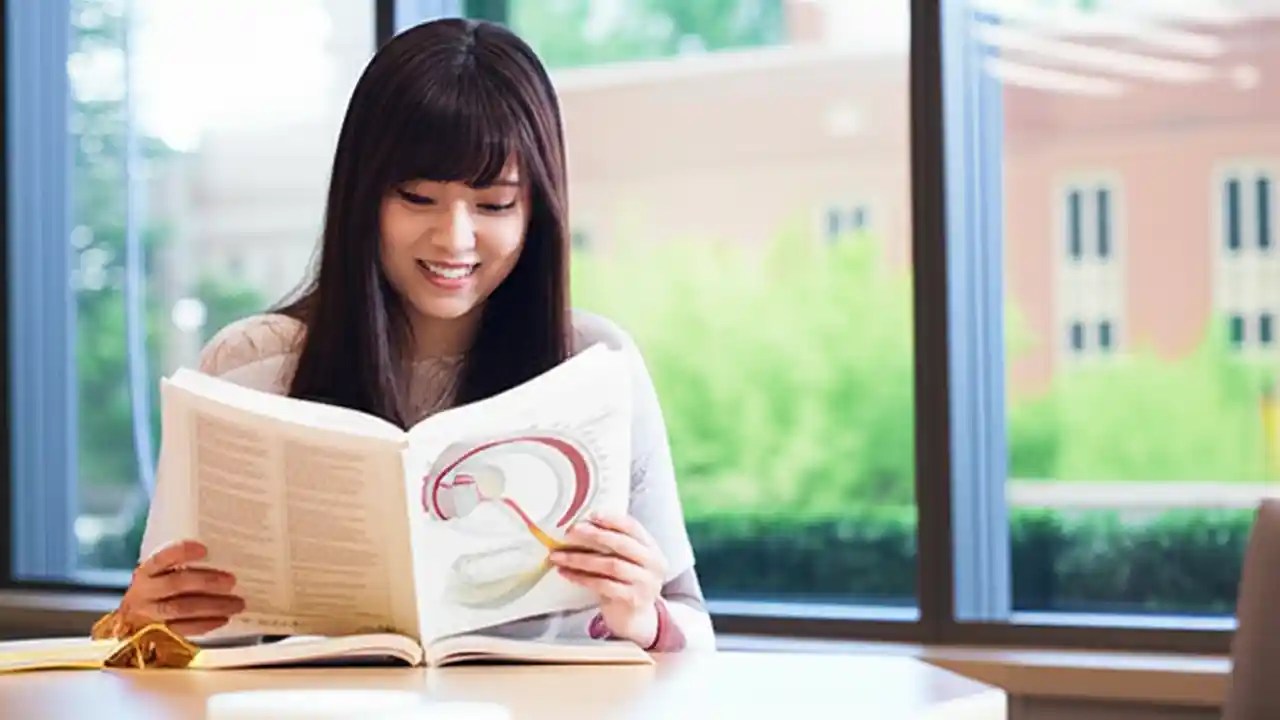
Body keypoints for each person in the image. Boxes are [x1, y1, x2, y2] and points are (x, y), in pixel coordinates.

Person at [91, 17, 713, 653]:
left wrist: (647, 615)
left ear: (539, 210)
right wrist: (147, 621)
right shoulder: (252, 365)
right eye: (418, 197)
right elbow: (164, 637)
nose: (455, 238)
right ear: (363, 198)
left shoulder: (592, 364)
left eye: (495, 204)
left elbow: (692, 624)